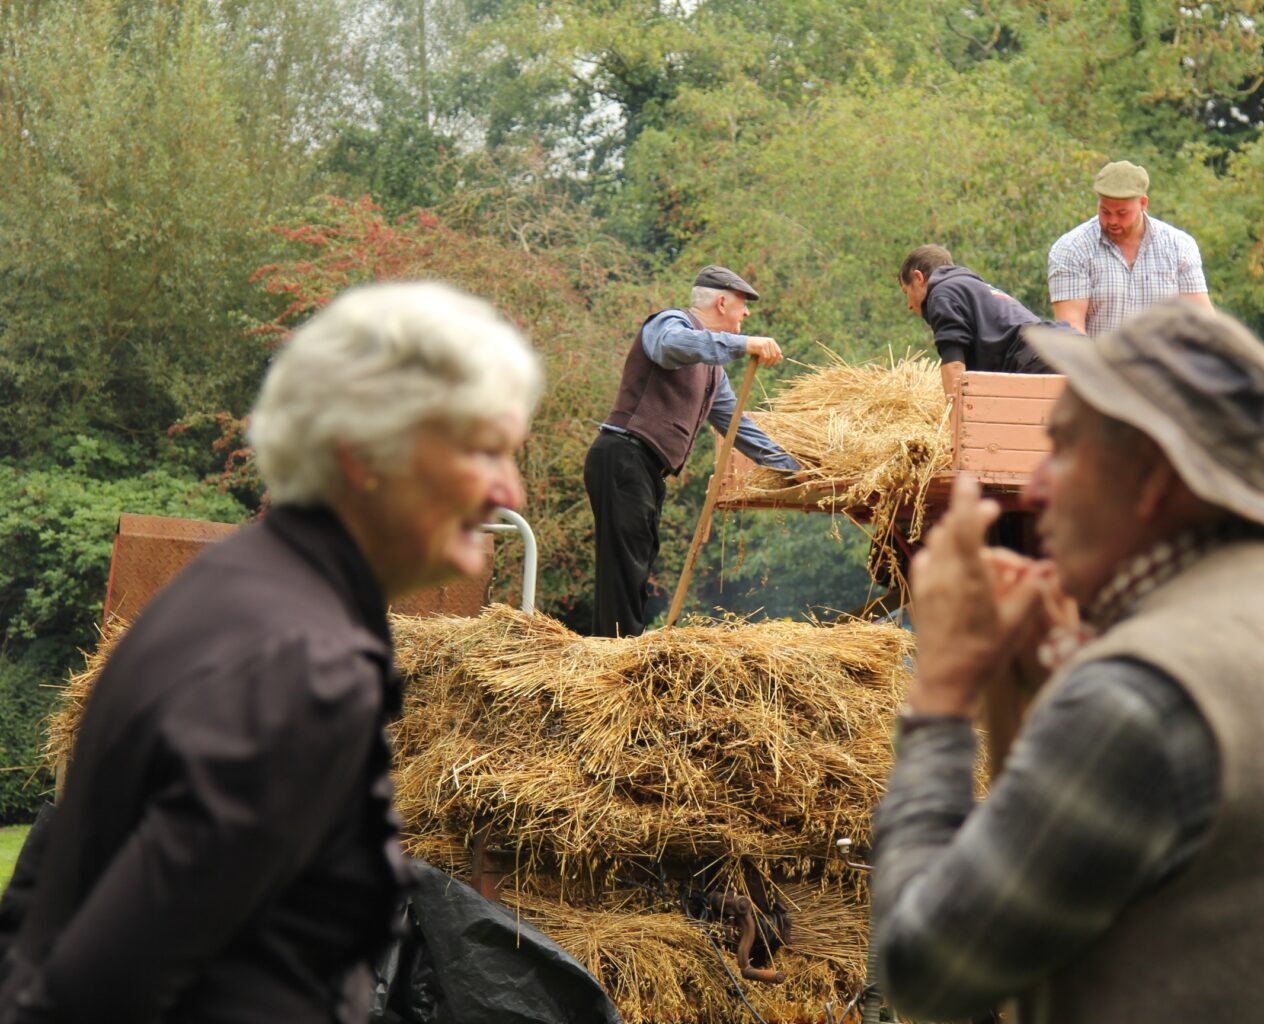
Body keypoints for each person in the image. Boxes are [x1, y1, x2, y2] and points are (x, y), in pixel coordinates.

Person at [870, 302, 1264, 1023]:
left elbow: (927, 976)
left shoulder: (1143, 696)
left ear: (1152, 476)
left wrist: (942, 689)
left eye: (1064, 449)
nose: (1035, 489)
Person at [0, 282, 542, 1024]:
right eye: (485, 450)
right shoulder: (299, 666)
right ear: (362, 456)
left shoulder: (236, 591)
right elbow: (93, 991)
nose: (509, 487)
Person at [585, 265, 797, 638]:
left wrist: (793, 466)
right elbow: (672, 347)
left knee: (639, 560)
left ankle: (622, 647)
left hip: (645, 469)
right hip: (622, 456)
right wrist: (742, 345)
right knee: (625, 565)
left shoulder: (714, 373)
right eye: (743, 305)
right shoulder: (668, 324)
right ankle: (615, 653)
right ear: (721, 302)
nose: (747, 315)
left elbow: (737, 426)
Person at [1047, 160, 1212, 336]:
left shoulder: (1179, 246)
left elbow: (1202, 321)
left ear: (1143, 203)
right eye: (1105, 211)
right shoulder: (1072, 249)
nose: (1112, 221)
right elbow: (1071, 331)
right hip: (1097, 362)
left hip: (1165, 362)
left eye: (1122, 213)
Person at [896, 245, 1051, 403]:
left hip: (1036, 360)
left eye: (906, 292)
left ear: (918, 278)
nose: (909, 305)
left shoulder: (941, 293)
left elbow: (954, 368)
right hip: (1064, 349)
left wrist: (956, 422)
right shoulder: (972, 287)